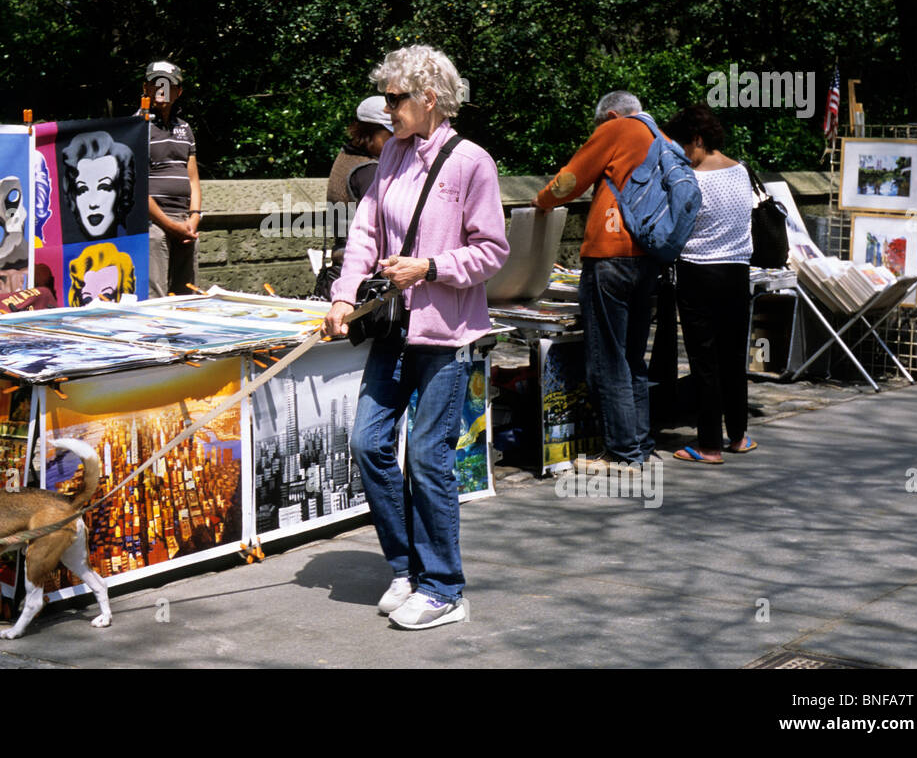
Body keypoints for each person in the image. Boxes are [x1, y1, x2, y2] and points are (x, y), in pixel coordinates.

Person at [323, 45, 508, 631]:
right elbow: (363, 234)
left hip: (446, 334)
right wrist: (344, 296)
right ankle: (406, 568)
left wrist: (429, 267)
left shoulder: (471, 161)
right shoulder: (391, 158)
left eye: (395, 98)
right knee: (369, 443)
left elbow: (493, 251)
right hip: (394, 327)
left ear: (429, 99)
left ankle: (445, 588)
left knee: (429, 459)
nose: (387, 107)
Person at [532, 91, 665, 470]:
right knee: (633, 357)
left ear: (609, 115)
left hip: (610, 254)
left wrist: (540, 202)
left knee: (607, 358)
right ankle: (639, 446)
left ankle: (621, 455)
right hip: (648, 257)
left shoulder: (619, 129)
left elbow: (569, 180)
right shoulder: (662, 138)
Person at [663, 103, 756, 463]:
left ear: (698, 140)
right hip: (736, 271)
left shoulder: (692, 179)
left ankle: (708, 445)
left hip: (698, 272)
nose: (682, 154)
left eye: (685, 146)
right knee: (734, 357)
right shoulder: (742, 172)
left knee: (705, 360)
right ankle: (738, 436)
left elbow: (680, 225)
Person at [139, 60, 200, 297]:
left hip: (185, 220)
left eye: (168, 85)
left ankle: (183, 335)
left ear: (179, 92)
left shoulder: (185, 129)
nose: (162, 90)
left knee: (187, 294)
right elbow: (137, 186)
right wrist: (169, 225)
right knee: (155, 295)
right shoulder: (137, 128)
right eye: (156, 84)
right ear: (146, 88)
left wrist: (194, 217)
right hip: (152, 223)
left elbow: (193, 179)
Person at [326, 95, 393, 265]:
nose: (397, 141)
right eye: (390, 134)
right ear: (370, 132)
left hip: (347, 258)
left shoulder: (346, 155)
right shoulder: (367, 170)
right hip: (361, 265)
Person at [59, 130, 136, 240]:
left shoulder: (136, 247)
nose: (93, 203)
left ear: (122, 192)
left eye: (104, 188)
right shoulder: (64, 250)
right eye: (82, 190)